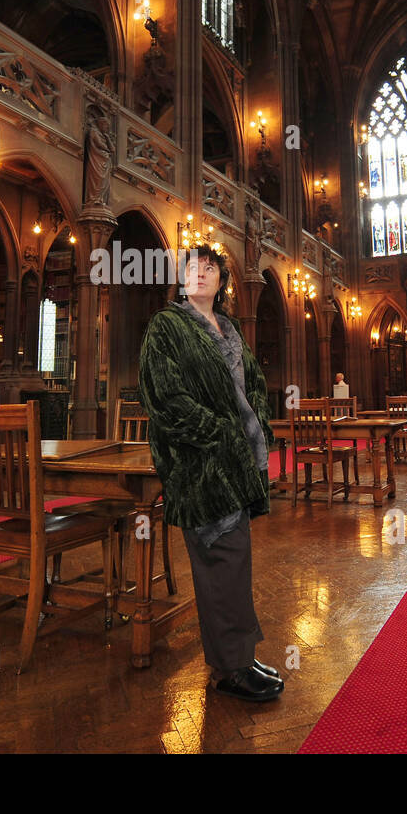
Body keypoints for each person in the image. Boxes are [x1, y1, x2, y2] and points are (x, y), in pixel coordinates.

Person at [138, 244, 282, 702]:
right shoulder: (167, 326)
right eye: (191, 267)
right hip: (199, 464)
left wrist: (256, 425)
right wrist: (219, 434)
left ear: (222, 281)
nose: (199, 273)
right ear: (180, 280)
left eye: (209, 267)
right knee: (221, 554)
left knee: (232, 556)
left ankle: (238, 654)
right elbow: (164, 397)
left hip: (237, 463)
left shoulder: (232, 329)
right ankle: (229, 668)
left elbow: (254, 385)